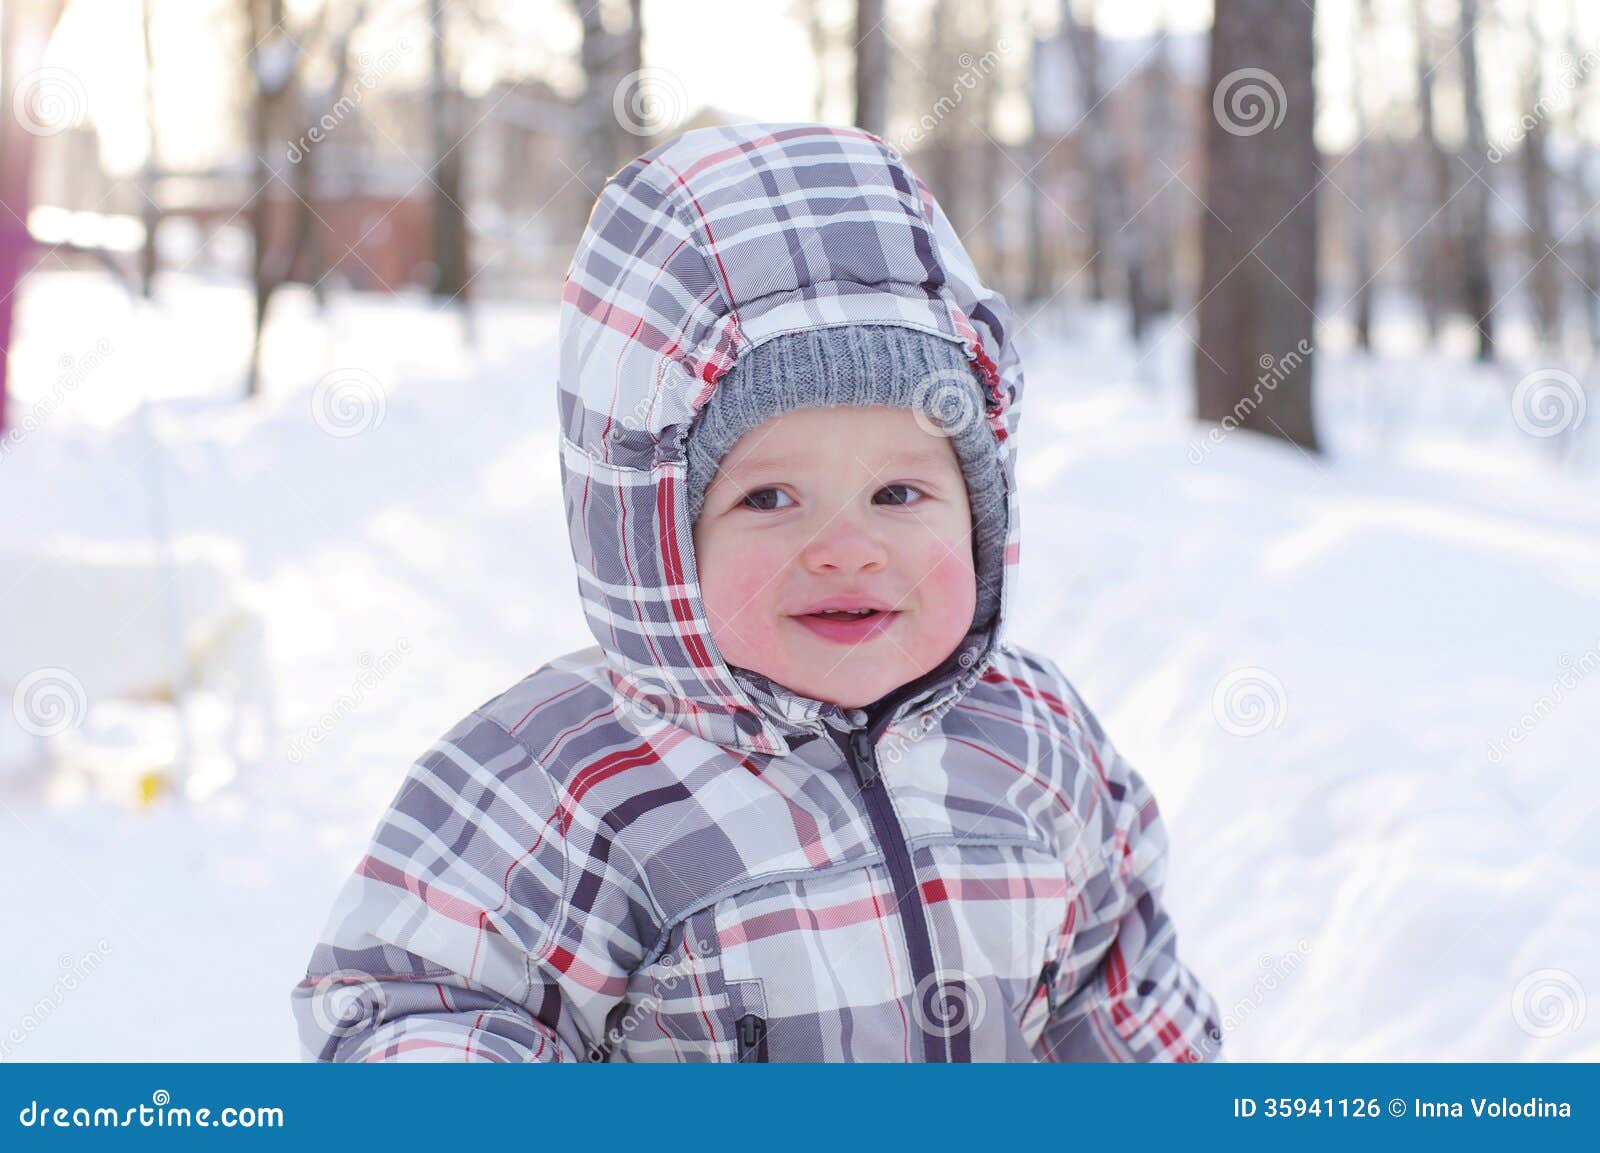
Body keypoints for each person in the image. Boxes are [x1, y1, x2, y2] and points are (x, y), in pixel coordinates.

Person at [290, 122, 1223, 1062]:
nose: (847, 550)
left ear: (980, 516)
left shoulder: (1038, 742)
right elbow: (412, 1003)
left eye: (899, 493)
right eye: (769, 497)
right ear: (656, 538)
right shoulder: (558, 782)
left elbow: (1119, 994)